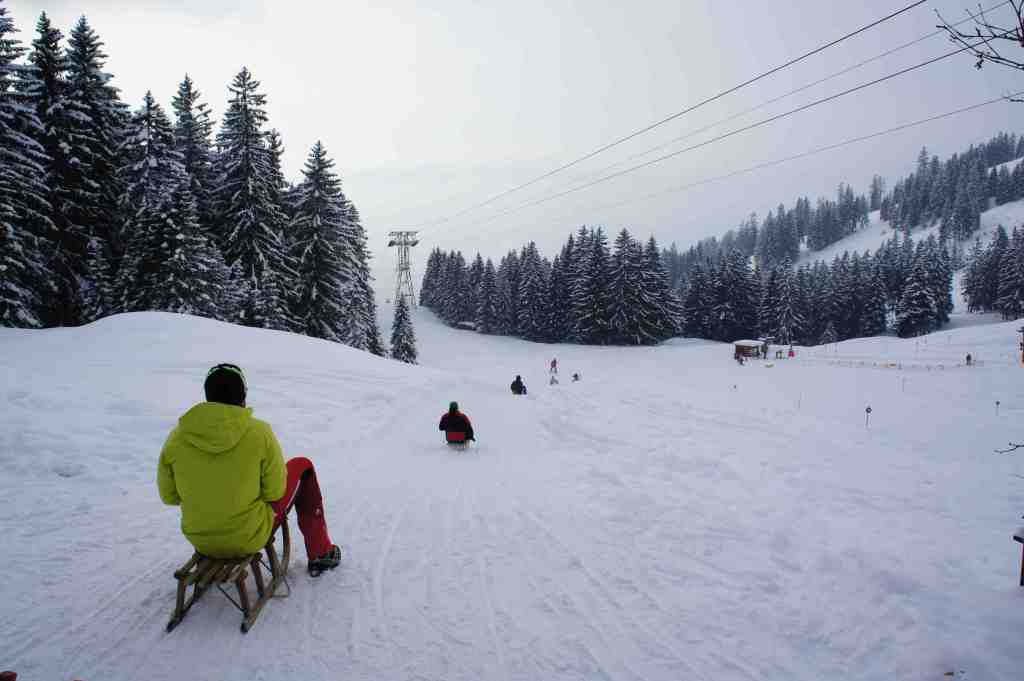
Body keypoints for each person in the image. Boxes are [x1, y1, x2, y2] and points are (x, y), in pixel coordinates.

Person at [158, 364, 342, 577]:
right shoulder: (259, 432)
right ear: (243, 395)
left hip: (199, 538)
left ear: (208, 396)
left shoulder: (177, 437)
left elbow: (169, 497)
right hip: (249, 535)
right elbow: (275, 492)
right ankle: (321, 552)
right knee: (303, 465)